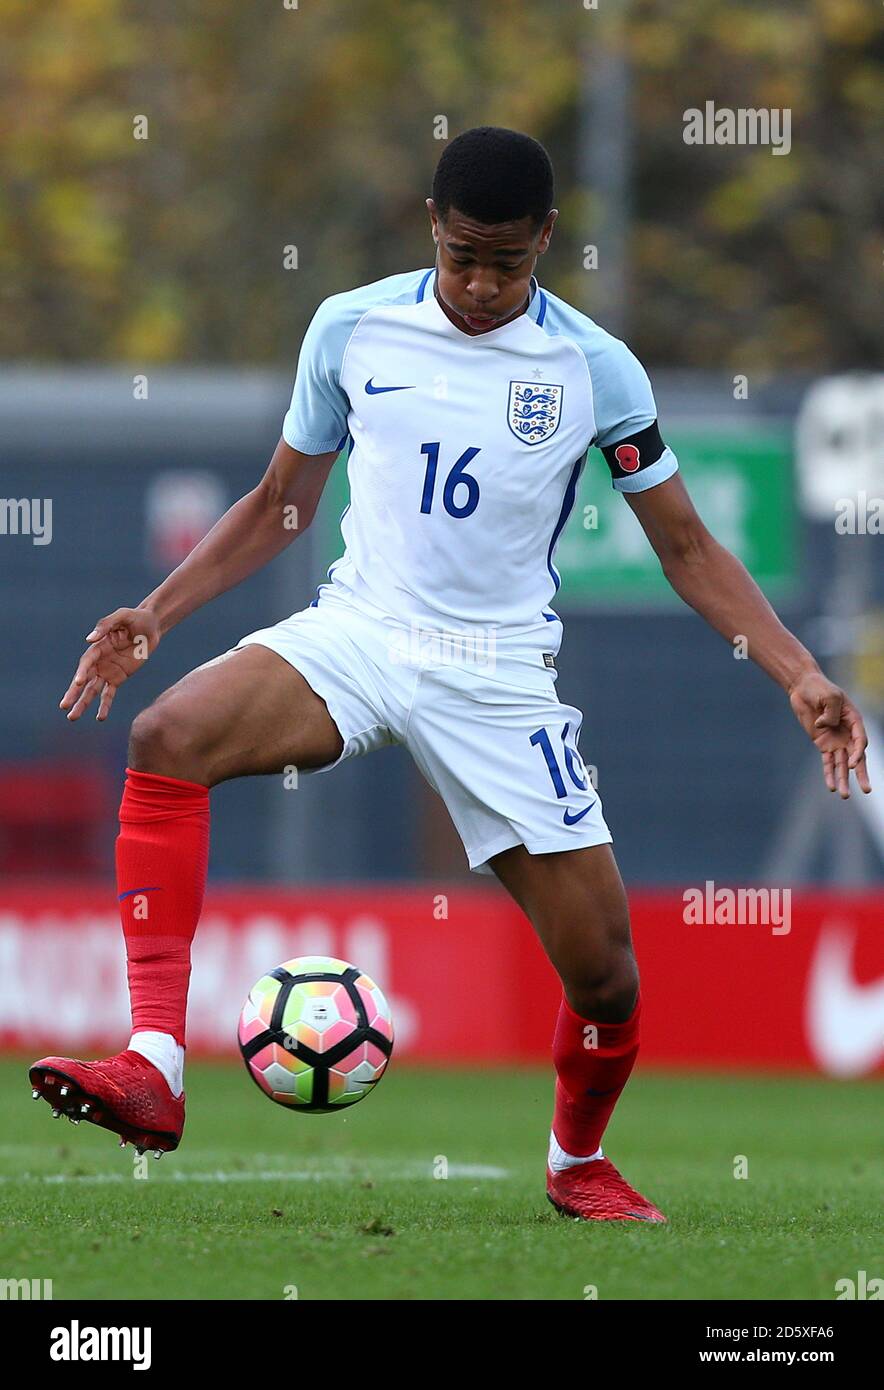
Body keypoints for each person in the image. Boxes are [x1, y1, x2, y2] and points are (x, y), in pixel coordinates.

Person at [31, 127, 870, 1222]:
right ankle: (155, 1064)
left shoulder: (592, 367)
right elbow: (281, 504)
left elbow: (685, 546)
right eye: (462, 255)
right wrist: (156, 612)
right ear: (432, 225)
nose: (479, 285)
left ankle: (575, 1162)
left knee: (605, 976)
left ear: (546, 241)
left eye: (505, 263)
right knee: (166, 737)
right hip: (362, 631)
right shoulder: (350, 328)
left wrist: (797, 672)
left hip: (498, 674)